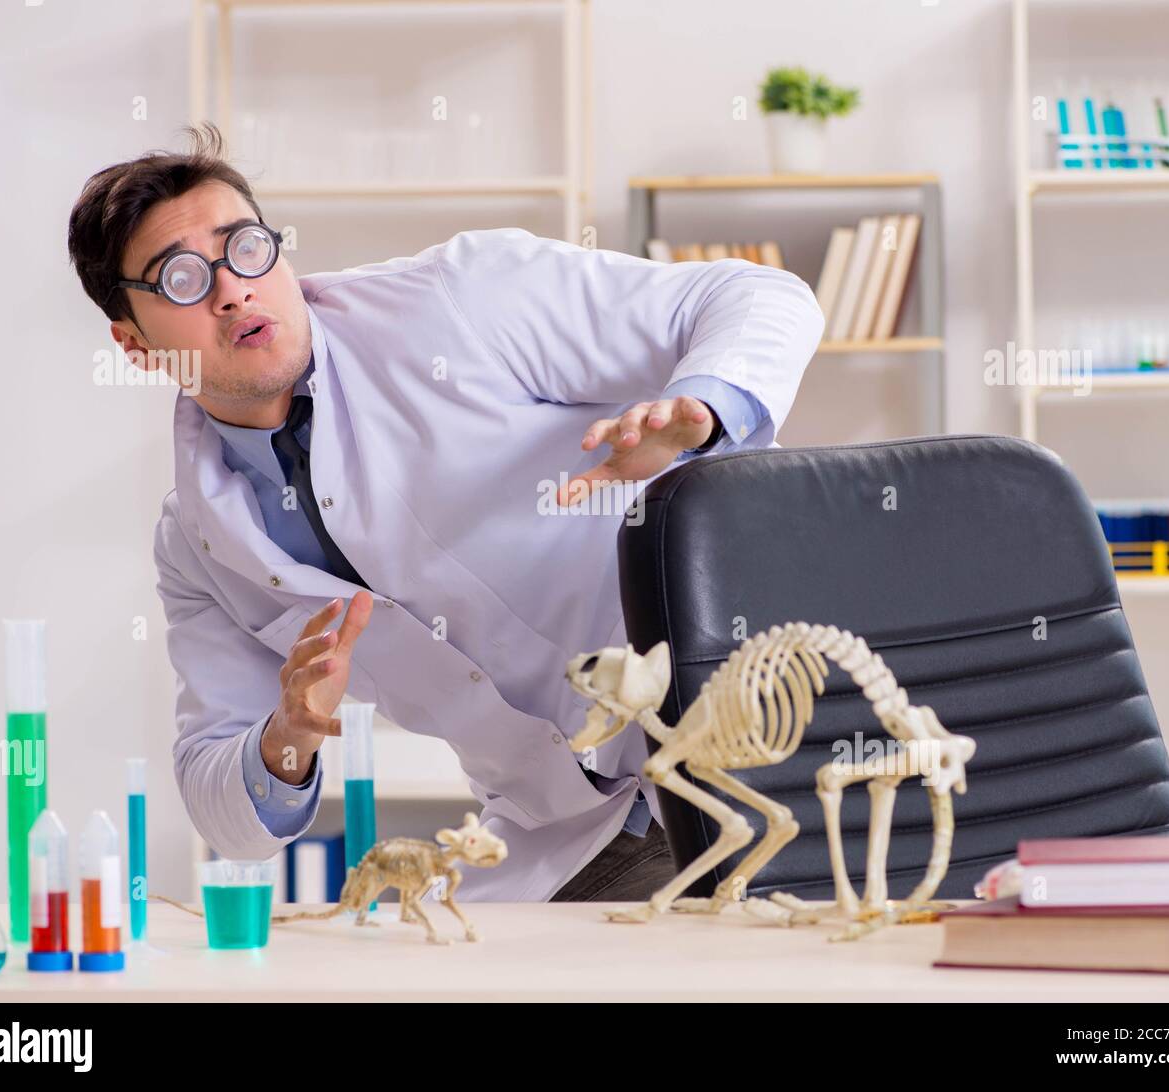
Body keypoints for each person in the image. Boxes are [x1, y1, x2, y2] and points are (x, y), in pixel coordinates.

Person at [66, 123, 824, 901]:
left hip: (751, 764)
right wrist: (283, 739)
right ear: (136, 344)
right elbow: (222, 808)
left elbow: (755, 294)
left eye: (246, 247)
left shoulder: (457, 300)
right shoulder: (197, 545)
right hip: (569, 846)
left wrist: (702, 404)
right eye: (182, 279)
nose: (233, 289)